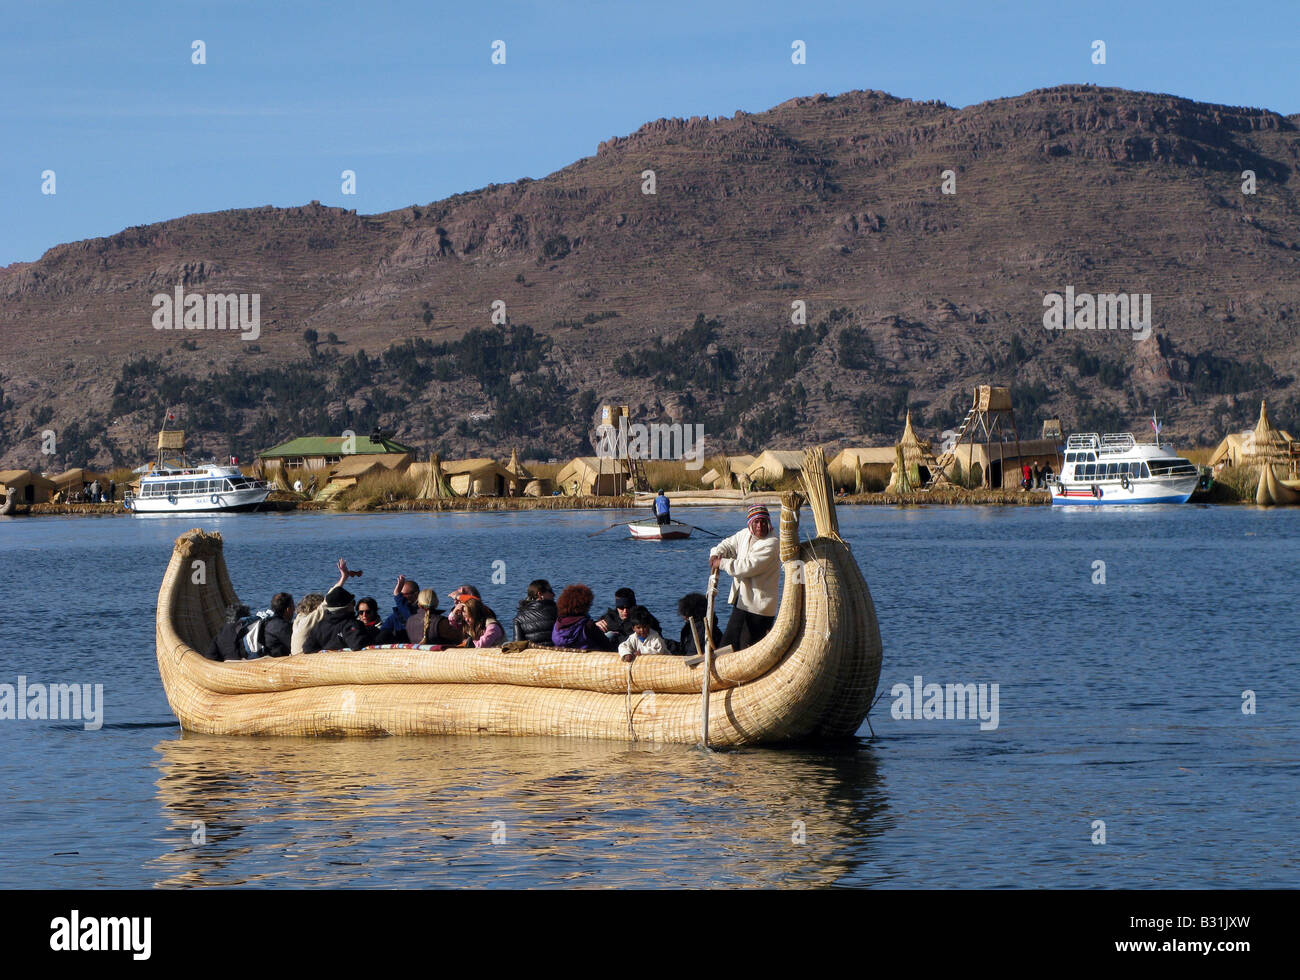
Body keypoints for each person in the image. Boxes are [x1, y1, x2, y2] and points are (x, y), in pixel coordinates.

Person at [709, 504, 780, 651]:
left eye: (763, 522)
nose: (760, 526)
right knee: (727, 646)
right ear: (750, 524)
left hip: (759, 609)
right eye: (756, 522)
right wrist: (716, 553)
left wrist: (721, 563)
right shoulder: (745, 534)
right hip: (742, 603)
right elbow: (728, 544)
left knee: (749, 649)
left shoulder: (772, 543)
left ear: (768, 522)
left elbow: (747, 567)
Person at [302, 559, 374, 652]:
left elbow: (307, 649)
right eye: (353, 603)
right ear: (346, 607)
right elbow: (358, 646)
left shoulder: (319, 626)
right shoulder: (351, 625)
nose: (353, 606)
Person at [552, 584, 614, 651]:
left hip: (564, 657)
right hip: (588, 658)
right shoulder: (587, 625)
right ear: (584, 605)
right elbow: (607, 645)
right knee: (612, 635)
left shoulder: (557, 624)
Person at [595, 587, 660, 643]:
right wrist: (595, 625)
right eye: (621, 608)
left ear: (634, 606)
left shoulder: (644, 619)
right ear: (617, 607)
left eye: (628, 607)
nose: (625, 611)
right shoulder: (609, 618)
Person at [513, 579, 557, 644]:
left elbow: (517, 645)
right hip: (557, 653)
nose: (553, 594)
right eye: (550, 591)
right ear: (539, 594)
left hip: (533, 653)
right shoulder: (558, 611)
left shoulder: (519, 618)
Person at [379, 575, 421, 643]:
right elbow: (382, 634)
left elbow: (410, 618)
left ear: (416, 594)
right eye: (401, 595)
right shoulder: (395, 617)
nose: (402, 598)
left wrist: (398, 596)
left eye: (404, 595)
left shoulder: (422, 612)